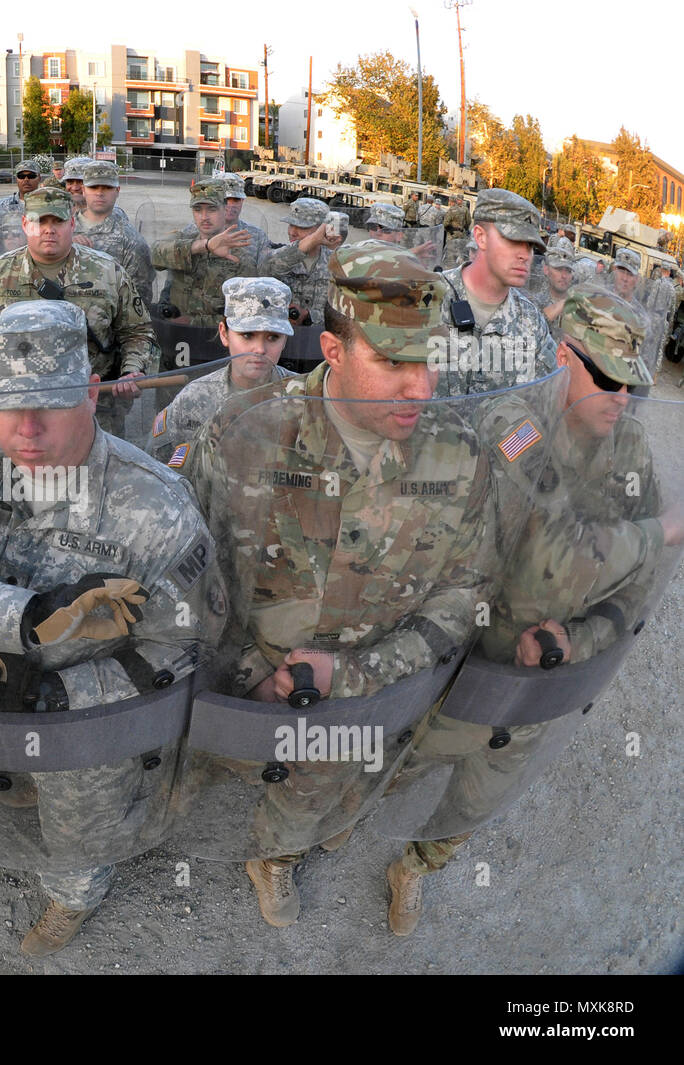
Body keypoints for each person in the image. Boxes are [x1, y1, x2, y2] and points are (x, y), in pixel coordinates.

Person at [0, 300, 224, 955]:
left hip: (87, 716)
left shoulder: (155, 509)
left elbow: (186, 649)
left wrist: (64, 697)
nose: (25, 429)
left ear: (91, 392)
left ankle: (72, 896)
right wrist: (24, 619)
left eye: (49, 404)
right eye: (4, 404)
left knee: (80, 824)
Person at [177, 242, 497, 929]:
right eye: (393, 362)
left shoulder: (458, 455)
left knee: (329, 799)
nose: (422, 388)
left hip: (371, 702)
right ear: (331, 347)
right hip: (250, 695)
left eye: (431, 361)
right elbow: (188, 575)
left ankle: (286, 849)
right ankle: (260, 841)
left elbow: (464, 594)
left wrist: (356, 673)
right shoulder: (242, 435)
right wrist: (247, 674)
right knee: (222, 777)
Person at [384, 287, 680, 934]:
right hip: (463, 658)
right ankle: (347, 813)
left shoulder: (629, 452)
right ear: (560, 355)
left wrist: (577, 638)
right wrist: (664, 530)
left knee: (483, 790)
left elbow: (636, 590)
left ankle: (416, 864)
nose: (622, 396)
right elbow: (560, 551)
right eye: (605, 375)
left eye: (632, 381)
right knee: (405, 754)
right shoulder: (513, 424)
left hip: (535, 677)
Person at [0, 185, 158, 437]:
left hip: (90, 413)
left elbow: (138, 332)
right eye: (39, 221)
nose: (48, 229)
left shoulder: (107, 273)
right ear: (25, 224)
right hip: (14, 419)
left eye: (57, 220)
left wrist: (131, 371)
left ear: (71, 223)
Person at [150, 276, 295, 460]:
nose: (260, 349)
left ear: (285, 341)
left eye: (273, 337)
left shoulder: (302, 397)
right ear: (224, 334)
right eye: (247, 335)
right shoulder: (192, 400)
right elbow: (158, 468)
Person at [436, 188, 556, 396]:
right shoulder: (428, 298)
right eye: (514, 241)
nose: (525, 255)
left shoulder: (532, 322)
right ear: (480, 237)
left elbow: (545, 398)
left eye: (530, 246)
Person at [150, 180, 300, 328]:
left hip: (216, 339)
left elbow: (245, 312)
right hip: (175, 337)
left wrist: (193, 322)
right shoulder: (185, 238)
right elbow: (155, 255)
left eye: (211, 209)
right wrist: (203, 246)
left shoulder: (241, 254)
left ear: (224, 210)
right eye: (197, 210)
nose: (204, 217)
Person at [74, 160, 154, 305]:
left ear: (117, 191)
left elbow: (139, 301)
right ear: (84, 190)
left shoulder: (131, 242)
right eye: (93, 187)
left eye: (107, 187)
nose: (99, 193)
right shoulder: (62, 229)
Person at [275, 197, 346, 325]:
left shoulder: (337, 265)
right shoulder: (279, 260)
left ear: (323, 229)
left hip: (319, 339)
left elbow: (342, 314)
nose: (292, 232)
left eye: (301, 227)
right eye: (291, 224)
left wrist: (309, 316)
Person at [535, 236, 577, 323]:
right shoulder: (536, 302)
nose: (564, 276)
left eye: (568, 271)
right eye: (559, 269)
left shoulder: (578, 303)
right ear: (546, 270)